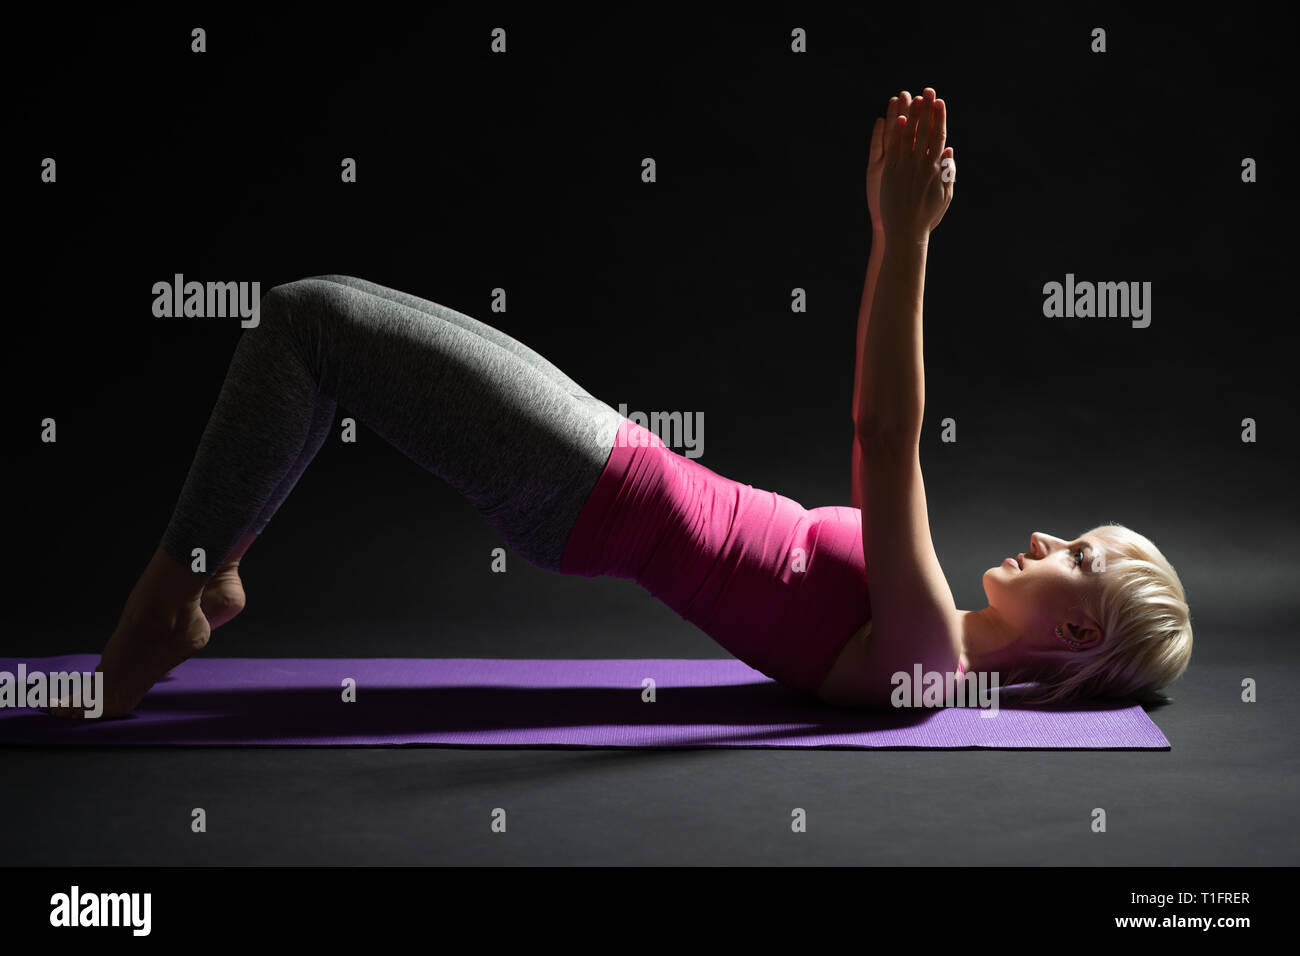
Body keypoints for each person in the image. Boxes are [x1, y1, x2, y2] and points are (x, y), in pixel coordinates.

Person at [52, 87, 1191, 719]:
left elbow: (883, 441)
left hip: (588, 487)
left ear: (1080, 632)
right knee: (321, 329)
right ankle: (215, 569)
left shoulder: (927, 665)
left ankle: (163, 604)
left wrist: (901, 242)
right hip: (608, 459)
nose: (1049, 536)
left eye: (1077, 554)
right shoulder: (930, 641)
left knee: (308, 318)